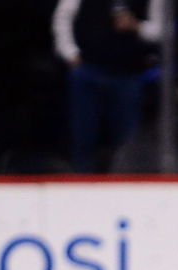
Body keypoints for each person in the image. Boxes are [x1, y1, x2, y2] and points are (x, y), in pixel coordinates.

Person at [52, 0, 163, 173]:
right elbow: (63, 17)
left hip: (128, 74)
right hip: (88, 70)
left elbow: (162, 31)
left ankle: (126, 183)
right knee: (83, 138)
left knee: (126, 141)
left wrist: (137, 26)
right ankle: (81, 182)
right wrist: (69, 53)